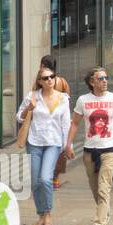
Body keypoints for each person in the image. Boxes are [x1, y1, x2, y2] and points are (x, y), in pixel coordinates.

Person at [63, 67, 113, 225]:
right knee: (96, 189)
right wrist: (68, 144)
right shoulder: (83, 100)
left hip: (110, 149)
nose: (104, 81)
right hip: (90, 150)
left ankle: (99, 224)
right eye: (100, 78)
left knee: (104, 188)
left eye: (106, 78)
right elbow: (74, 124)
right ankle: (105, 211)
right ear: (91, 82)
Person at [16, 67, 71, 225]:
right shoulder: (32, 97)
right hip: (34, 142)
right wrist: (29, 108)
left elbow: (66, 123)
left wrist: (67, 145)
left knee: (46, 179)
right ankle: (41, 215)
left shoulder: (63, 98)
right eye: (45, 78)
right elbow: (19, 117)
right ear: (40, 81)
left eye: (52, 77)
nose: (50, 80)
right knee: (35, 181)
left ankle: (47, 216)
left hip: (53, 144)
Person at [39, 55, 72, 186]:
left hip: (44, 120)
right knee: (58, 150)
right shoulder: (62, 81)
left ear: (43, 65)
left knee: (43, 147)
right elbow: (68, 99)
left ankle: (45, 175)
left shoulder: (40, 80)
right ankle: (55, 178)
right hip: (59, 121)